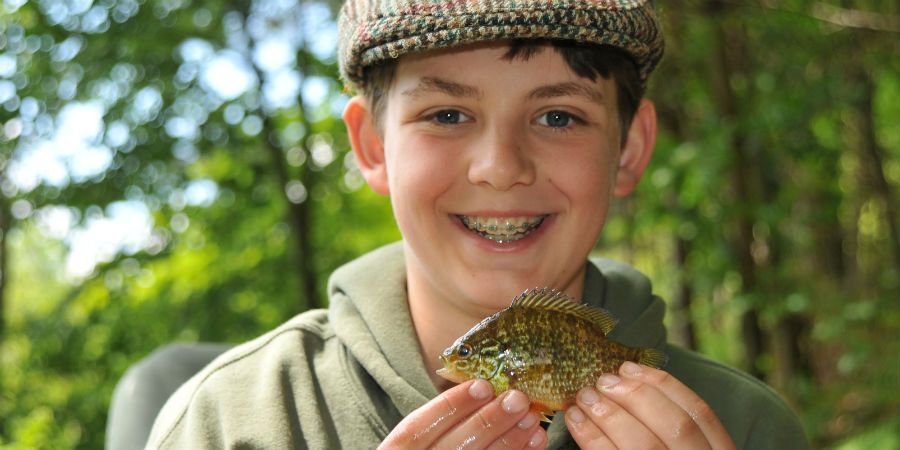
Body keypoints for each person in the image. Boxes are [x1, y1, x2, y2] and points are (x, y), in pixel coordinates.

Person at [145, 0, 810, 448]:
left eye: (558, 116)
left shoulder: (744, 426)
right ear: (372, 147)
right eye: (447, 115)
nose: (500, 168)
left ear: (629, 150)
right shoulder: (227, 422)